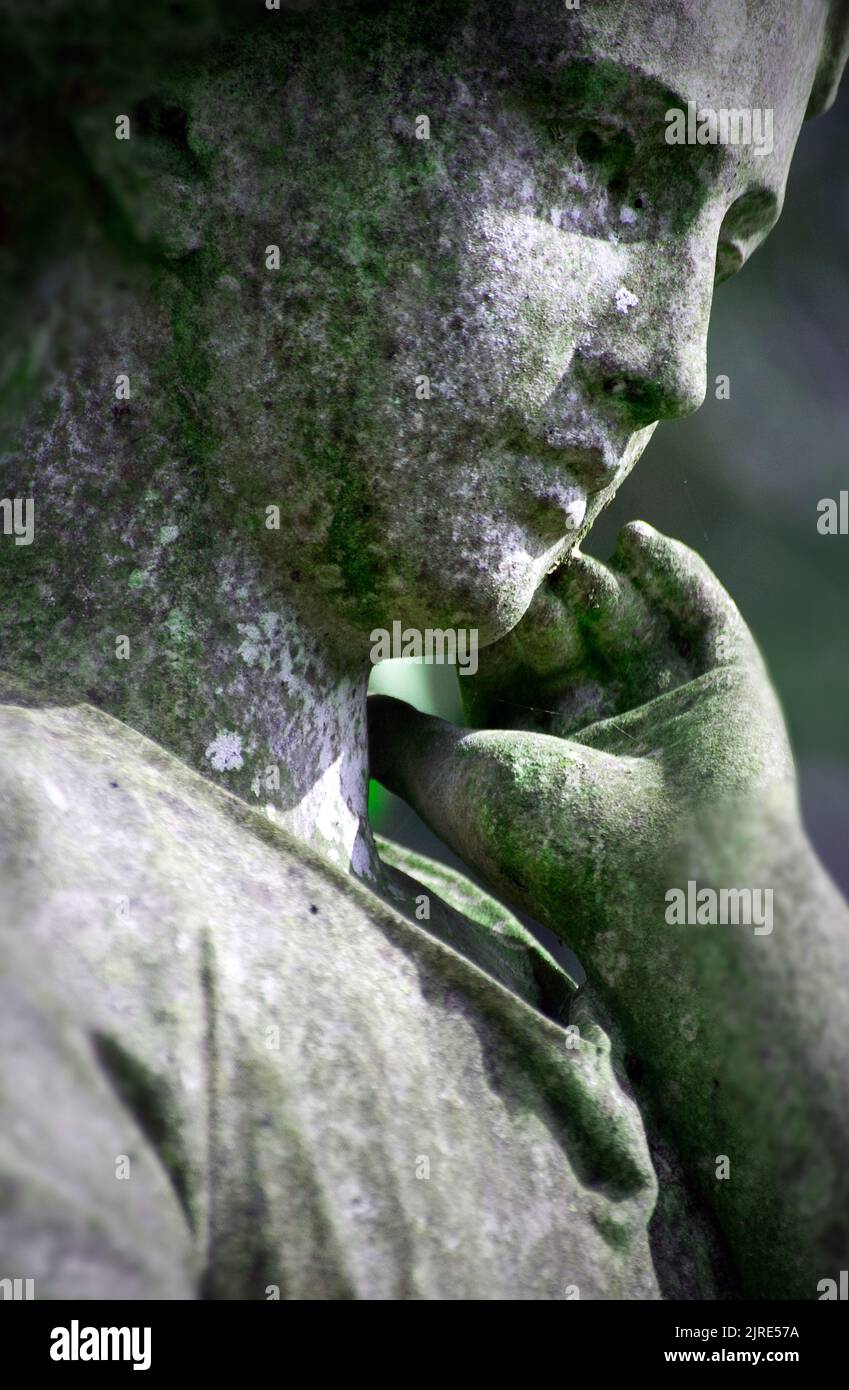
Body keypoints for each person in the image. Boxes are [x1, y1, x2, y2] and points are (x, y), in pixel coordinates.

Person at [1, 0, 847, 1299]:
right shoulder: (44, 877)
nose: (674, 366)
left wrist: (757, 965)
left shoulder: (573, 982)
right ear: (173, 120)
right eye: (606, 161)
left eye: (726, 252)